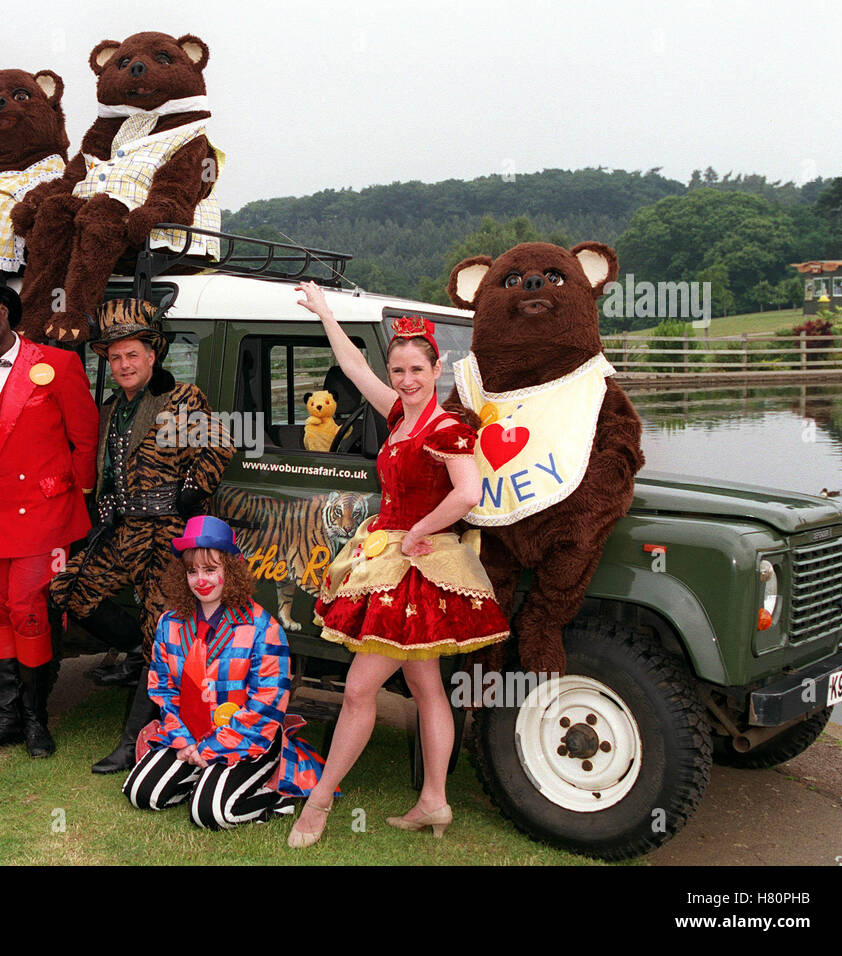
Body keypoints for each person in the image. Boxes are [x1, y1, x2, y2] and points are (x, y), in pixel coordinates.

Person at [286, 281, 509, 848]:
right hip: (393, 560)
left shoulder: (446, 427)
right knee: (426, 683)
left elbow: (469, 492)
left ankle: (318, 802)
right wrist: (326, 314)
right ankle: (433, 800)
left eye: (417, 370)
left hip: (417, 570)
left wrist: (419, 530)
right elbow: (354, 366)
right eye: (399, 370)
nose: (407, 380)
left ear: (437, 370)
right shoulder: (398, 416)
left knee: (360, 689)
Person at [49, 298, 236, 774]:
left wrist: (192, 493)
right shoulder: (112, 408)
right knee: (68, 590)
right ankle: (133, 648)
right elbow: (109, 469)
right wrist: (106, 502)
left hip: (169, 540)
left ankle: (135, 741)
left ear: (153, 355)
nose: (124, 364)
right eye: (115, 357)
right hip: (122, 533)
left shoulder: (180, 399)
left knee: (163, 634)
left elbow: (219, 445)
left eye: (132, 354)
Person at [0, 266, 99, 758]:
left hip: (43, 513)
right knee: (0, 615)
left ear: (4, 311)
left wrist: (75, 495)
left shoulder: (56, 364)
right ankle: (5, 720)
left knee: (30, 613)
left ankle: (36, 721)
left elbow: (85, 438)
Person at [122, 516, 326, 829]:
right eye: (192, 571)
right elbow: (162, 690)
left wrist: (211, 748)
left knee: (209, 814)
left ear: (230, 571)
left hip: (249, 736)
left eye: (210, 569)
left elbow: (266, 704)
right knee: (141, 793)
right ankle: (204, 776)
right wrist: (185, 742)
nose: (200, 580)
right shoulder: (170, 623)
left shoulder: (263, 628)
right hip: (190, 733)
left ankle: (274, 796)